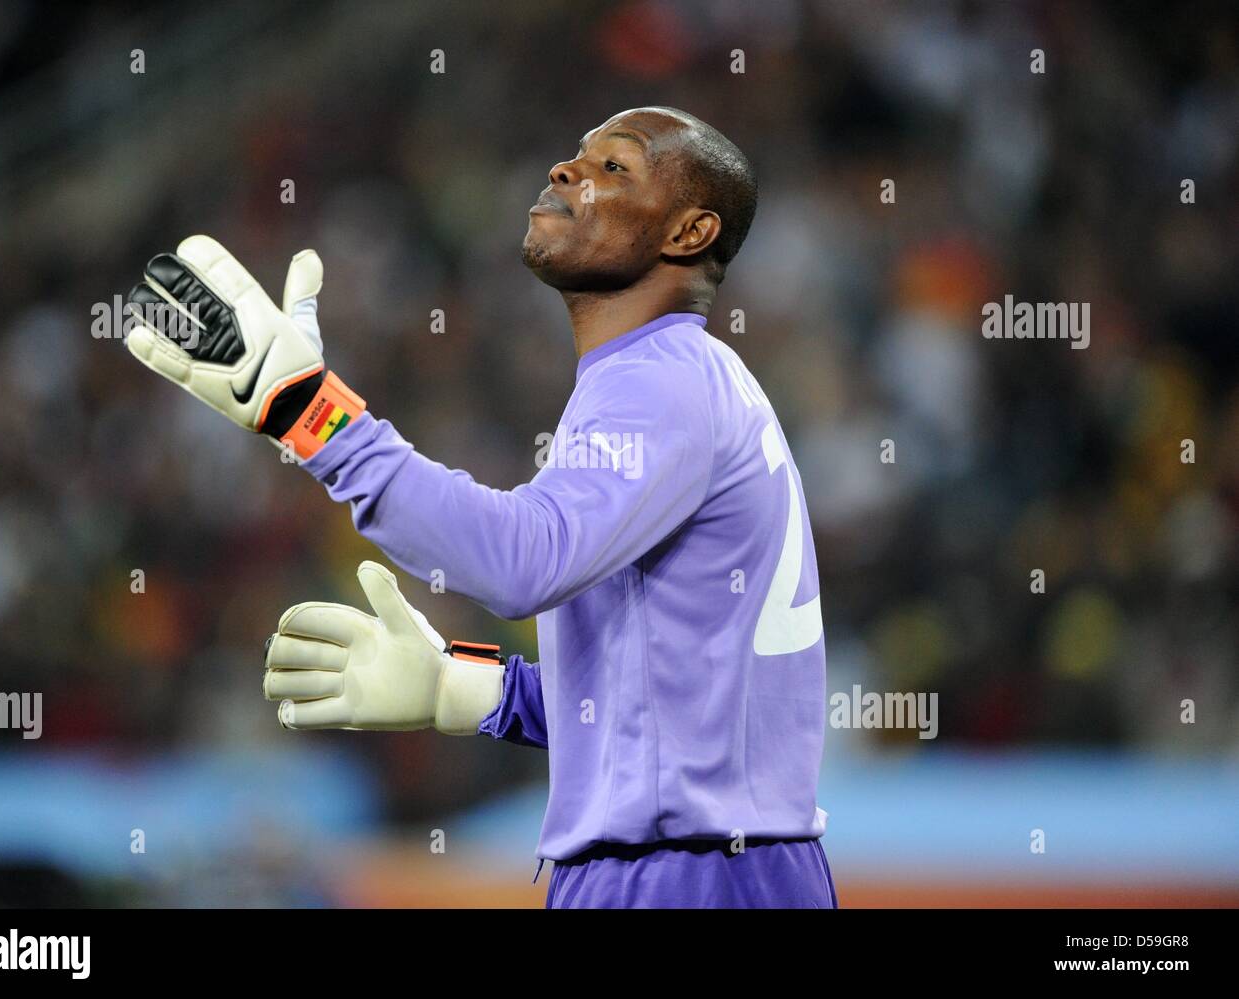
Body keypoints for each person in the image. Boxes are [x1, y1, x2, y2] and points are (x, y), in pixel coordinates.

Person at [125, 106, 835, 908]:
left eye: (615, 168)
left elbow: (523, 560)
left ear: (688, 231)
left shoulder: (658, 379)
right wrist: (467, 689)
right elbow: (664, 701)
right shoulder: (674, 376)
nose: (568, 172)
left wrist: (311, 415)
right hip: (711, 867)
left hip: (686, 873)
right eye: (575, 154)